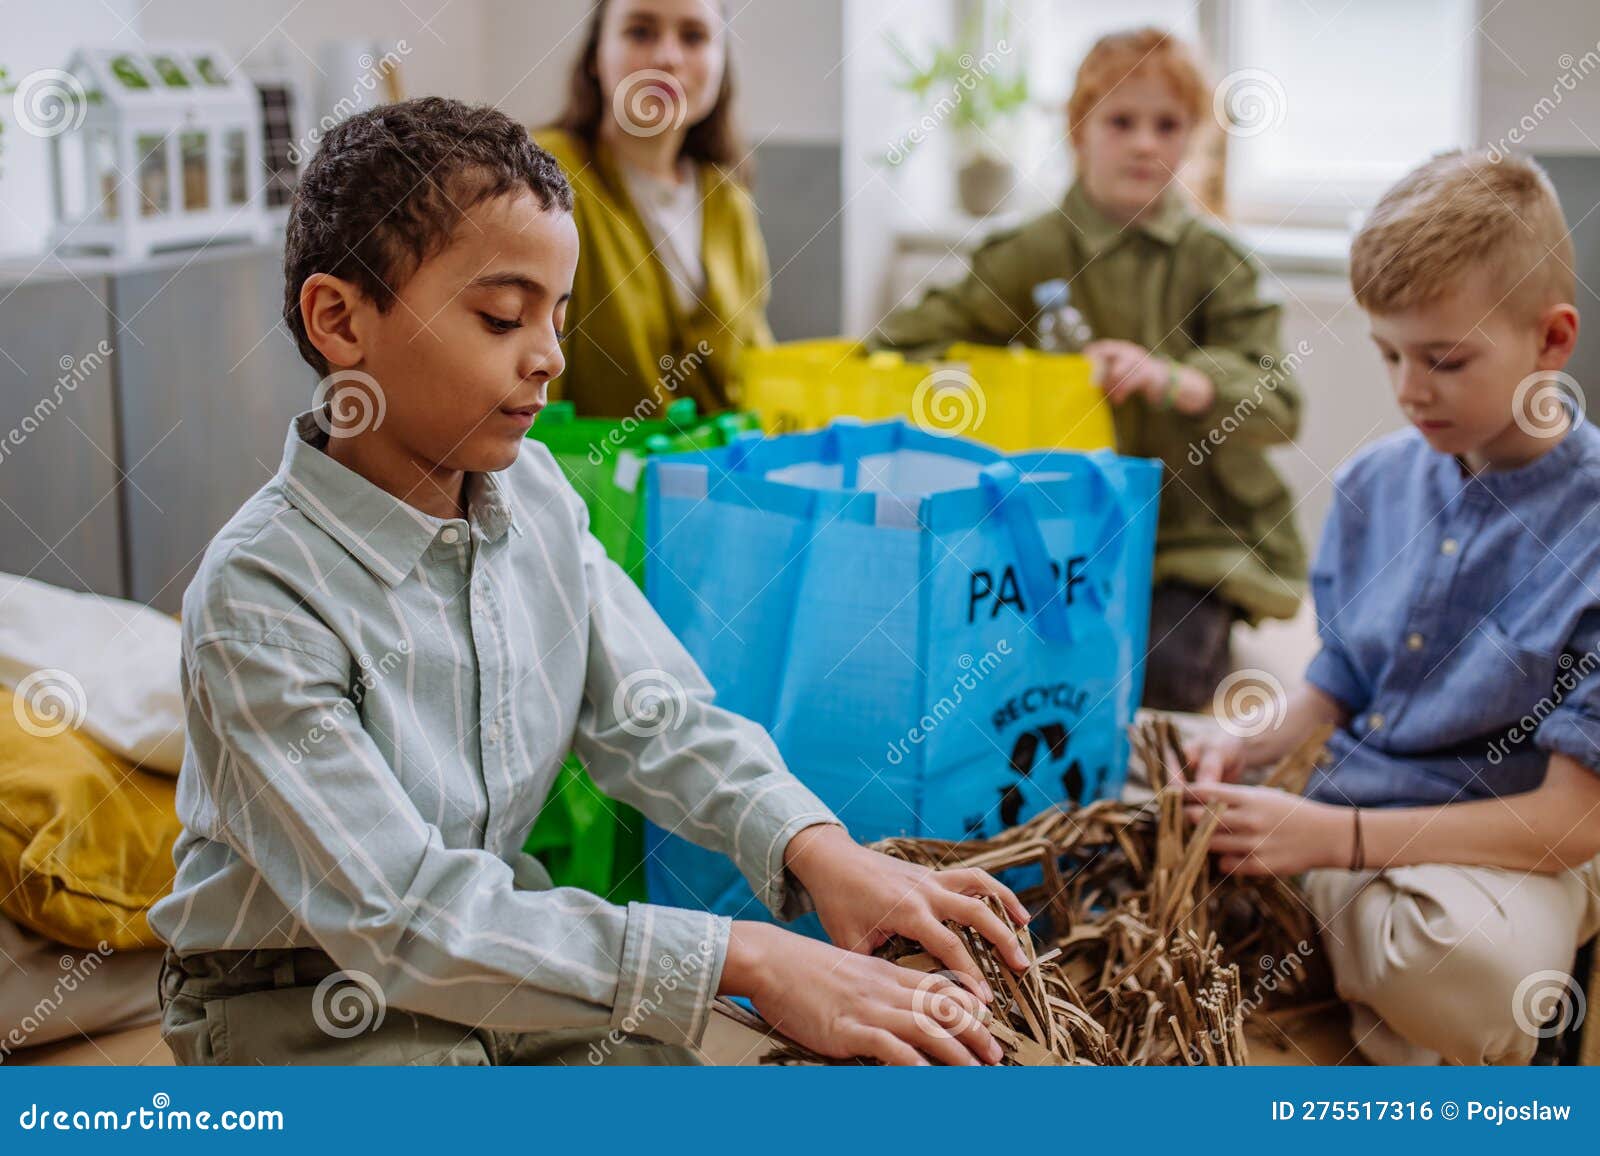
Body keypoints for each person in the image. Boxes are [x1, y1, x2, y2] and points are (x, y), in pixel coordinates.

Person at [150, 97, 1033, 1067]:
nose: (550, 357)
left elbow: (649, 716)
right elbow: (400, 916)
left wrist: (817, 849)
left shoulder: (534, 493)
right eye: (501, 316)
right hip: (302, 1000)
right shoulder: (258, 597)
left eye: (558, 316)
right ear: (340, 320)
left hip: (499, 940)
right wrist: (751, 957)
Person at [1182, 150, 1600, 1065]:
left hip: (1500, 848)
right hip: (1351, 803)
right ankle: (1330, 923)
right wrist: (1249, 746)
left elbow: (1574, 821)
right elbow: (1336, 683)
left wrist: (1331, 838)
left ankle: (1309, 909)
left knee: (1475, 976)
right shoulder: (1376, 481)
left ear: (1553, 341)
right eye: (1389, 355)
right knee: (1153, 762)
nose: (1410, 390)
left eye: (1446, 361)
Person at [872, 28, 1305, 712]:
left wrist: (1177, 379)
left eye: (1167, 125)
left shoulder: (1219, 260)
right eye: (1121, 121)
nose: (1144, 144)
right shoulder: (1027, 250)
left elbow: (1280, 403)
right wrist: (1030, 378)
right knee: (1007, 671)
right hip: (1046, 528)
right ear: (1078, 132)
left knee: (1163, 679)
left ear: (1193, 139)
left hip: (1189, 538)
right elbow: (901, 343)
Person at [535, 0, 772, 419]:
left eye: (694, 36)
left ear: (721, 65)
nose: (667, 56)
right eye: (641, 32)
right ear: (594, 57)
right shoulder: (540, 174)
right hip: (583, 478)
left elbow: (756, 369)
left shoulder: (728, 201)